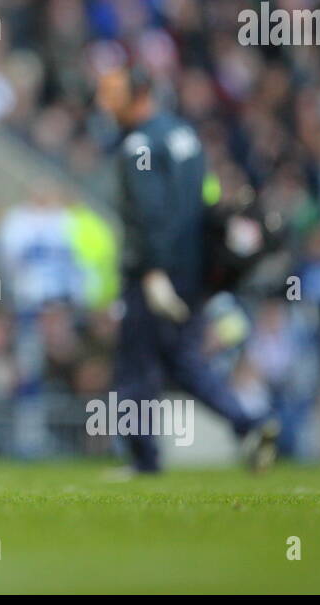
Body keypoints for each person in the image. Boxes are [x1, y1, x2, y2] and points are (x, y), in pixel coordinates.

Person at [94, 55, 278, 474]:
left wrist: (153, 269)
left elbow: (149, 213)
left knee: (136, 365)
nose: (107, 105)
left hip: (156, 274)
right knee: (184, 360)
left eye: (115, 96)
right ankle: (248, 422)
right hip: (192, 271)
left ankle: (144, 460)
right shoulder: (186, 137)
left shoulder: (138, 144)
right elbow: (201, 206)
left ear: (138, 96)